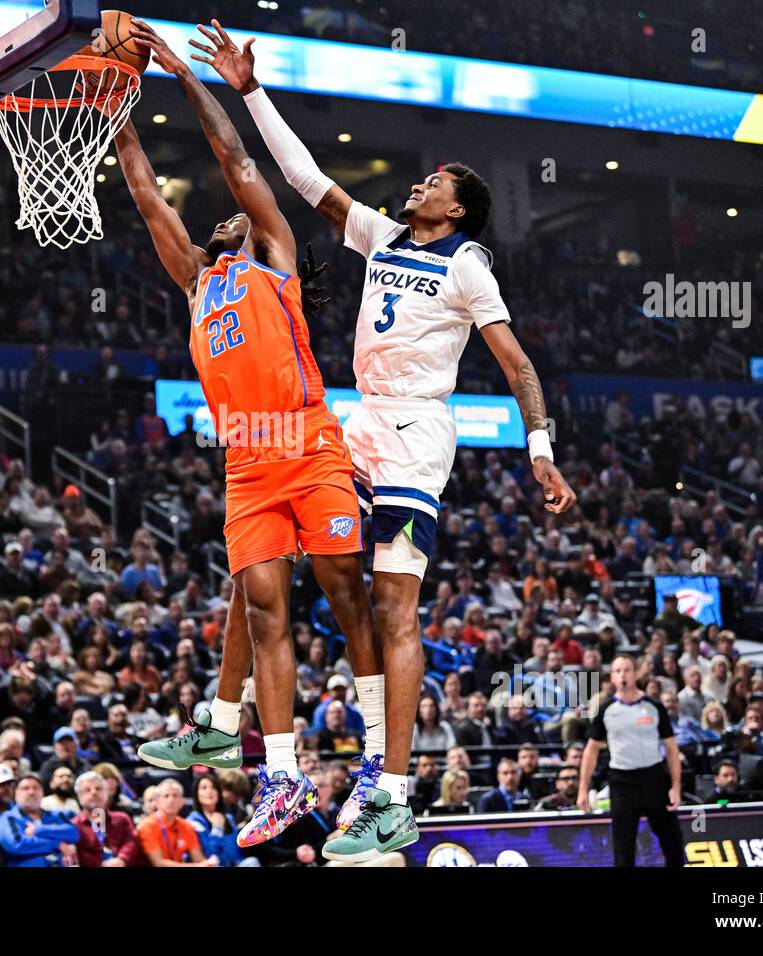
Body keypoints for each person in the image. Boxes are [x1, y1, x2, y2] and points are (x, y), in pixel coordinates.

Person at [191, 18, 576, 865]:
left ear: (459, 208)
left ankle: (393, 792)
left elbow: (515, 363)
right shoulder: (381, 235)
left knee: (396, 601)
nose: (419, 184)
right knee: (266, 549)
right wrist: (247, 88)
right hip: (356, 421)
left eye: (434, 181)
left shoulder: (469, 263)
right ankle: (228, 730)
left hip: (414, 437)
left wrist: (538, 446)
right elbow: (303, 177)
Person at [118, 21, 381, 852]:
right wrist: (112, 104)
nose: (228, 214)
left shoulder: (274, 253)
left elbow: (236, 159)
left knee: (343, 590)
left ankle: (381, 760)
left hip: (308, 440)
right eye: (221, 219)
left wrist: (181, 74)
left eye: (234, 213)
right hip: (247, 466)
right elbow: (145, 193)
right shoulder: (198, 282)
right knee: (264, 612)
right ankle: (281, 776)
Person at [578, 654, 685, 867]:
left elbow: (671, 749)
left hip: (654, 777)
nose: (623, 675)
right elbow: (591, 751)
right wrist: (583, 789)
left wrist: (675, 786)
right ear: (612, 677)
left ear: (635, 673)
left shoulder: (654, 706)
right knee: (623, 848)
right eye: (618, 671)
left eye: (627, 670)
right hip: (622, 781)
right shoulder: (606, 710)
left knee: (672, 841)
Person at [0, 774, 79, 867]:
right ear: (15, 793)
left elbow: (73, 833)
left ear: (43, 792)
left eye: (36, 788)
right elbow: (17, 844)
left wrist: (38, 830)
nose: (31, 792)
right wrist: (56, 844)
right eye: (25, 788)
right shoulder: (8, 818)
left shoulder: (57, 815)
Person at [135, 778, 216, 867]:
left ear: (182, 802)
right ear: (157, 802)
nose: (171, 800)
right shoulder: (148, 825)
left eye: (175, 795)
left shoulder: (186, 826)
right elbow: (158, 863)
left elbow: (199, 859)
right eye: (166, 796)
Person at [70, 770, 141, 867]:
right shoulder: (73, 826)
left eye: (98, 788)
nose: (94, 792)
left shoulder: (122, 818)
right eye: (87, 790)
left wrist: (122, 859)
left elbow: (131, 842)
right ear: (79, 796)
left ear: (106, 793)